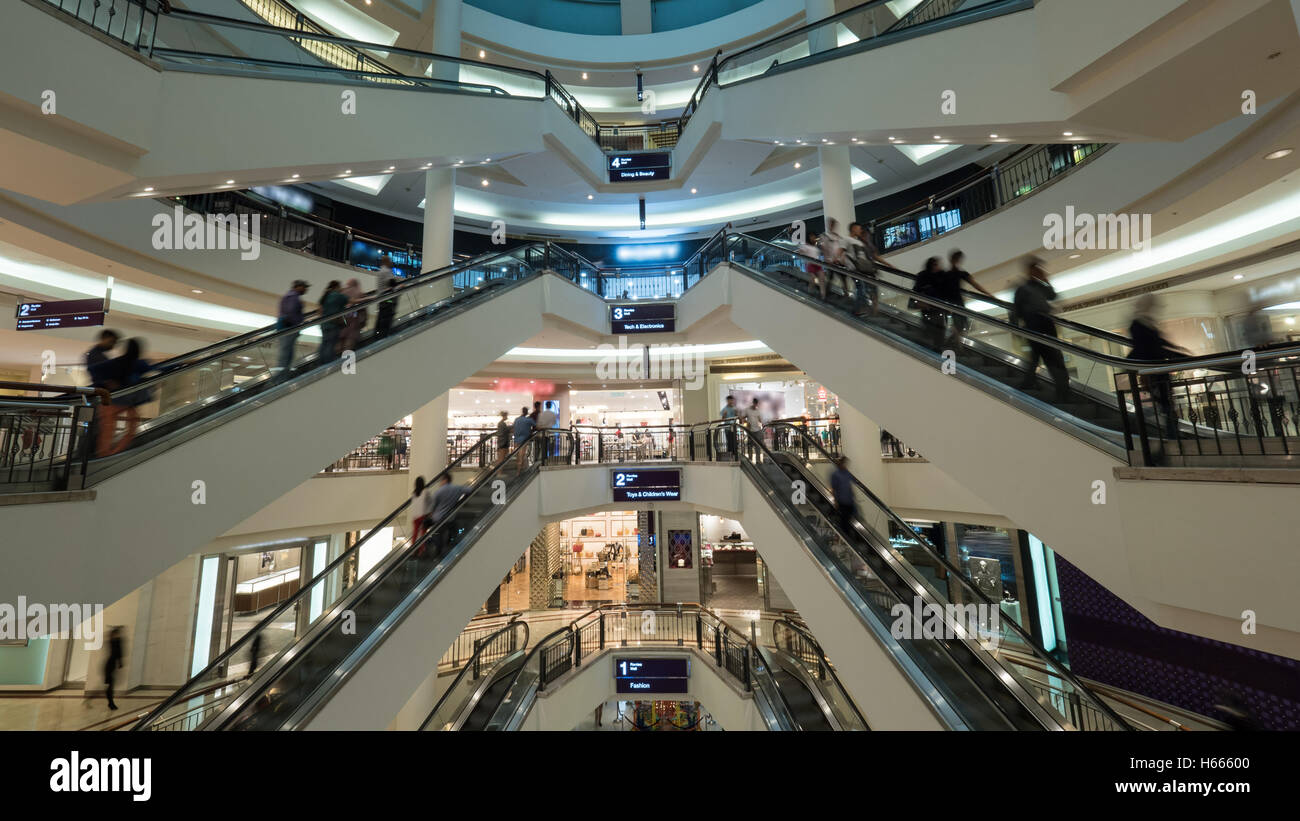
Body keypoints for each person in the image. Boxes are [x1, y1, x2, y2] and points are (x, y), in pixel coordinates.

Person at [1129, 294, 1190, 440]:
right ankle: (1169, 435)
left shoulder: (1146, 322)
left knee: (1165, 403)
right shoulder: (1138, 325)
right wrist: (1176, 353)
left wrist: (1176, 350)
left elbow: (1158, 344)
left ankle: (1171, 434)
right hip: (1153, 371)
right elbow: (1147, 348)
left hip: (1158, 370)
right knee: (1164, 403)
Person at [1012, 257, 1070, 403]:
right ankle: (1061, 389)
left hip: (1046, 324)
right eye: (1036, 269)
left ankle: (1030, 383)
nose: (1039, 272)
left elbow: (1053, 296)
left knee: (1041, 356)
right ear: (1030, 270)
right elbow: (1016, 310)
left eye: (1040, 270)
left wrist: (1046, 280)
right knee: (1050, 356)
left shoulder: (1040, 286)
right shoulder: (1023, 288)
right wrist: (1017, 329)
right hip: (1034, 325)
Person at [95, 338, 148, 457]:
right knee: (131, 428)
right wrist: (181, 364)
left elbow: (96, 370)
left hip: (111, 401)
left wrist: (109, 383)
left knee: (107, 429)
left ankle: (103, 453)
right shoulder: (140, 364)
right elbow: (159, 368)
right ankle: (116, 451)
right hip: (129, 402)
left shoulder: (118, 362)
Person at [940, 250, 996, 347]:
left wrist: (988, 294)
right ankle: (956, 346)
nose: (956, 261)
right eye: (956, 259)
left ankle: (954, 344)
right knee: (959, 325)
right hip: (953, 303)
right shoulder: (948, 274)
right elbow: (974, 284)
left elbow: (975, 284)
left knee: (961, 326)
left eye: (957, 259)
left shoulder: (957, 273)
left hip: (955, 302)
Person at [429, 473, 470, 557]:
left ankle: (439, 552)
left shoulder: (439, 491)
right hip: (450, 518)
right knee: (452, 531)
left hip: (438, 518)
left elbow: (432, 506)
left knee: (438, 535)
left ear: (445, 480)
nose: (440, 482)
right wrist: (462, 500)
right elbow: (470, 490)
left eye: (441, 480)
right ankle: (452, 548)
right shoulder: (457, 488)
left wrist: (431, 514)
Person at [847, 223, 884, 315]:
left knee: (870, 290)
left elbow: (872, 256)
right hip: (861, 270)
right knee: (863, 290)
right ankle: (860, 309)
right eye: (865, 234)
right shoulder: (856, 243)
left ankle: (873, 310)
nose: (867, 236)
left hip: (869, 270)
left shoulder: (865, 244)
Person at [912, 256, 948, 351]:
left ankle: (938, 347)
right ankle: (930, 346)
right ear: (932, 265)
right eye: (936, 264)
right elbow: (916, 291)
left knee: (940, 328)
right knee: (930, 327)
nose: (939, 266)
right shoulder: (923, 276)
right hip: (927, 308)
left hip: (938, 307)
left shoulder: (941, 275)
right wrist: (918, 303)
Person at [275, 280, 309, 377]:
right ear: (298, 286)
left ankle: (282, 376)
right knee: (286, 355)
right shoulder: (294, 297)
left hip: (285, 327)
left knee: (286, 354)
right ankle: (280, 378)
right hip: (289, 328)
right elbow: (291, 312)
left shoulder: (289, 296)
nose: (306, 289)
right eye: (304, 287)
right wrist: (298, 323)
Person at [818, 218, 850, 299]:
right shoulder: (824, 236)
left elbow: (842, 249)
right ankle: (826, 295)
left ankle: (846, 294)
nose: (832, 226)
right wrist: (827, 259)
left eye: (833, 224)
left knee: (843, 278)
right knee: (830, 278)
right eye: (831, 224)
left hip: (839, 261)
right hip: (830, 262)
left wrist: (842, 259)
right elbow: (823, 249)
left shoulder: (838, 237)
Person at [318, 281, 347, 363]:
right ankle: (327, 364)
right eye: (340, 286)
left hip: (324, 325)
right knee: (330, 346)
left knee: (324, 344)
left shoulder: (325, 295)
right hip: (333, 325)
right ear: (336, 287)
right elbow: (350, 300)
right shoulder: (337, 295)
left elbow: (320, 310)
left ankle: (321, 363)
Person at [830, 457, 856, 540]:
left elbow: (850, 483)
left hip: (849, 500)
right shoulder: (835, 475)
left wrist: (852, 494)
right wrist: (835, 501)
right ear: (840, 464)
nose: (845, 465)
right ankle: (846, 537)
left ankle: (848, 535)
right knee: (844, 520)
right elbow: (834, 488)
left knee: (849, 517)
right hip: (842, 501)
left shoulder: (847, 473)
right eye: (844, 463)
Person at [339, 278, 367, 353]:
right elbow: (363, 310)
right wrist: (363, 321)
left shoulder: (342, 293)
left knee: (341, 339)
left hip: (343, 320)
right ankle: (345, 357)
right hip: (354, 321)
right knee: (350, 341)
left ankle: (337, 356)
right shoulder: (360, 294)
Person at [409, 475, 433, 551]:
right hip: (423, 516)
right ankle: (421, 550)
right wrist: (430, 512)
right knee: (422, 534)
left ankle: (412, 550)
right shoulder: (426, 491)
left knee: (415, 533)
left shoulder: (414, 493)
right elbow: (430, 501)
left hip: (415, 517)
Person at [103, 626, 124, 711]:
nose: (119, 635)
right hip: (109, 666)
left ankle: (111, 702)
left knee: (110, 685)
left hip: (111, 665)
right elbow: (119, 652)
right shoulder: (114, 642)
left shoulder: (115, 641)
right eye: (117, 633)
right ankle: (111, 703)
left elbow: (119, 652)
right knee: (110, 686)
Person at [797, 233, 824, 298]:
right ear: (808, 238)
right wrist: (801, 251)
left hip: (817, 264)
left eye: (814, 237)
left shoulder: (815, 247)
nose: (813, 238)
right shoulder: (805, 245)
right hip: (810, 264)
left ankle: (823, 295)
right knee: (813, 279)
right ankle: (810, 292)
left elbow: (819, 254)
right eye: (812, 237)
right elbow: (800, 251)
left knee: (822, 279)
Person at [373, 272, 398, 340]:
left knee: (381, 327)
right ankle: (382, 338)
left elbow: (388, 301)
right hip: (389, 313)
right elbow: (392, 301)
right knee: (385, 328)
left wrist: (387, 301)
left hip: (384, 312)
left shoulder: (385, 292)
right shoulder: (395, 292)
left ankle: (378, 338)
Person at [512, 406, 536, 471]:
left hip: (516, 440)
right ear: (527, 412)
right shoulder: (528, 420)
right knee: (521, 456)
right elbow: (536, 425)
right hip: (524, 440)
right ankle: (519, 472)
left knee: (518, 456)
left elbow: (513, 428)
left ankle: (519, 470)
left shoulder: (516, 419)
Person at [719, 395, 739, 460]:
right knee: (729, 442)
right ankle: (730, 456)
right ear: (727, 401)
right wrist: (724, 415)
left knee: (734, 442)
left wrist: (737, 414)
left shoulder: (735, 408)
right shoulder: (724, 409)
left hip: (734, 427)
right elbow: (722, 419)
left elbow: (737, 417)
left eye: (731, 400)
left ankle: (735, 455)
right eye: (729, 400)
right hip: (727, 428)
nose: (730, 401)